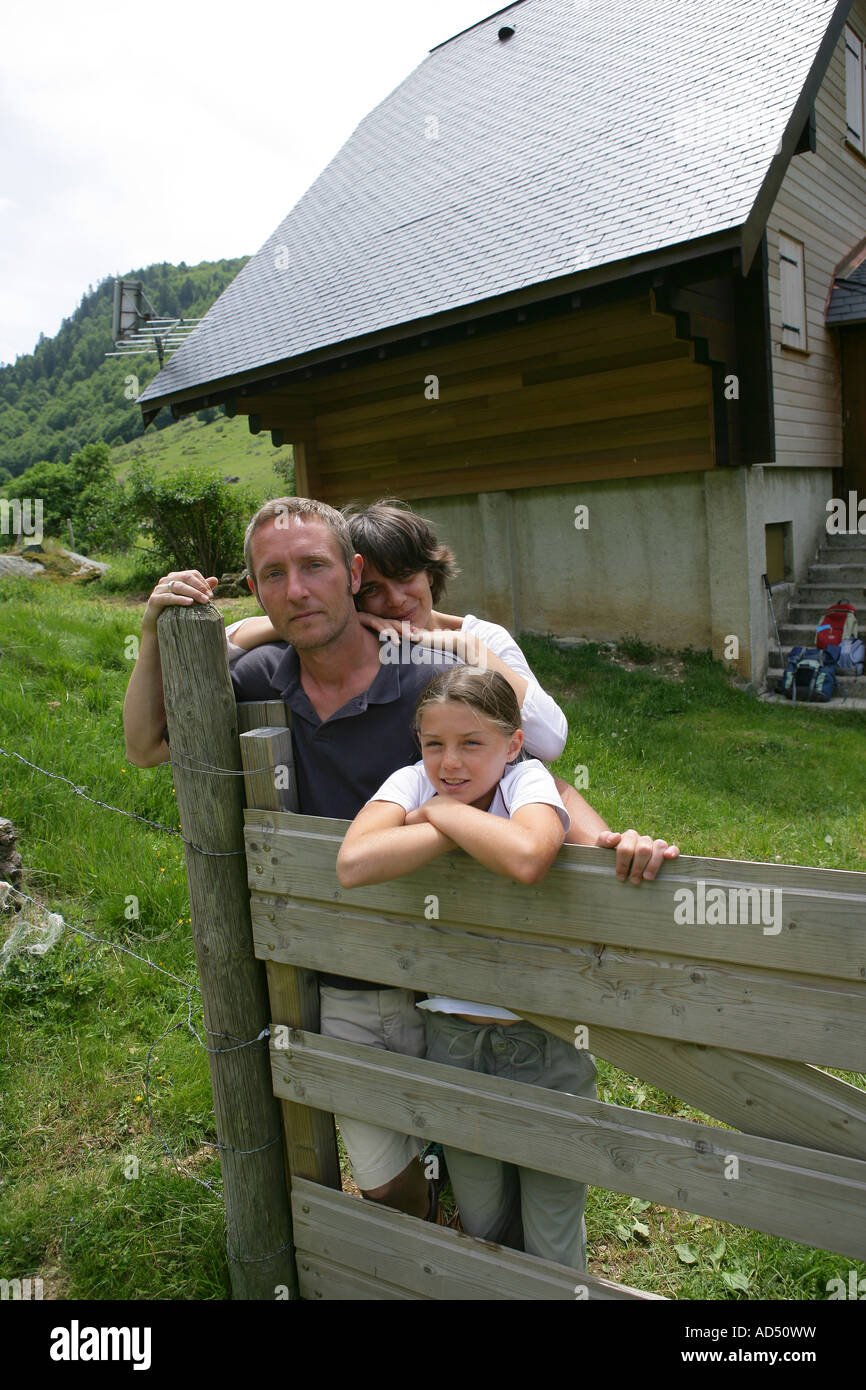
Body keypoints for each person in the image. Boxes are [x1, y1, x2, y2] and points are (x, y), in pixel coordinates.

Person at [336, 664, 596, 1269]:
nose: (449, 763)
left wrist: (443, 817)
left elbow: (529, 855)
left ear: (512, 744)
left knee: (553, 1231)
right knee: (483, 1222)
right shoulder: (411, 781)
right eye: (434, 744)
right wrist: (460, 826)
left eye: (471, 743)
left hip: (545, 1041)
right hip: (453, 1043)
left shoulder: (526, 780)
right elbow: (355, 861)